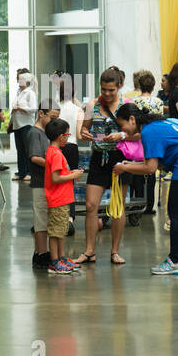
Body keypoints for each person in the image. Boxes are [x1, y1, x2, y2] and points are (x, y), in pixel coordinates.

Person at [113, 104, 178, 274]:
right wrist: (131, 164)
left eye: (122, 126)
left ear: (132, 120)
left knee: (176, 213)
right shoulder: (156, 125)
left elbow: (150, 169)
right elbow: (155, 163)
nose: (123, 131)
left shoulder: (148, 132)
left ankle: (176, 260)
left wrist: (125, 168)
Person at [76, 68, 130, 266]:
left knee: (117, 207)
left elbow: (140, 133)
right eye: (104, 89)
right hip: (99, 157)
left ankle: (115, 251)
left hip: (121, 160)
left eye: (111, 90)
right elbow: (84, 127)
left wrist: (121, 135)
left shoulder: (128, 105)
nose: (107, 94)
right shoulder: (93, 105)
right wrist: (84, 132)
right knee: (91, 205)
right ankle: (89, 251)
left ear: (119, 87)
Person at [44, 118, 84, 275]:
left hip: (63, 198)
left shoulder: (56, 152)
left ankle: (61, 257)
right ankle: (54, 262)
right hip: (58, 199)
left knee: (61, 230)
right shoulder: (55, 154)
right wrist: (73, 175)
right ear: (60, 136)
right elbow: (55, 178)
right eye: (67, 134)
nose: (68, 137)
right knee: (55, 232)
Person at [25, 106, 60, 269]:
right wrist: (54, 165)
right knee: (40, 221)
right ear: (41, 114)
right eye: (52, 118)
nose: (54, 123)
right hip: (40, 183)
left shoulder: (46, 133)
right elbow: (35, 157)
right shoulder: (34, 133)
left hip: (49, 183)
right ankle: (40, 253)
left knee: (47, 220)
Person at [129, 70, 164, 215]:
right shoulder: (158, 102)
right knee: (151, 170)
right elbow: (161, 120)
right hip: (154, 138)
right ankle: (149, 204)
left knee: (138, 170)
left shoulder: (134, 101)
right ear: (153, 86)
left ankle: (137, 202)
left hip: (137, 137)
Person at [10, 69, 38, 181]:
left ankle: (29, 172)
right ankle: (21, 172)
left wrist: (20, 108)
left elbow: (33, 109)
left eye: (21, 79)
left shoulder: (30, 93)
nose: (18, 81)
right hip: (17, 125)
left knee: (27, 150)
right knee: (20, 150)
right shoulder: (19, 93)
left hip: (26, 124)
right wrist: (11, 123)